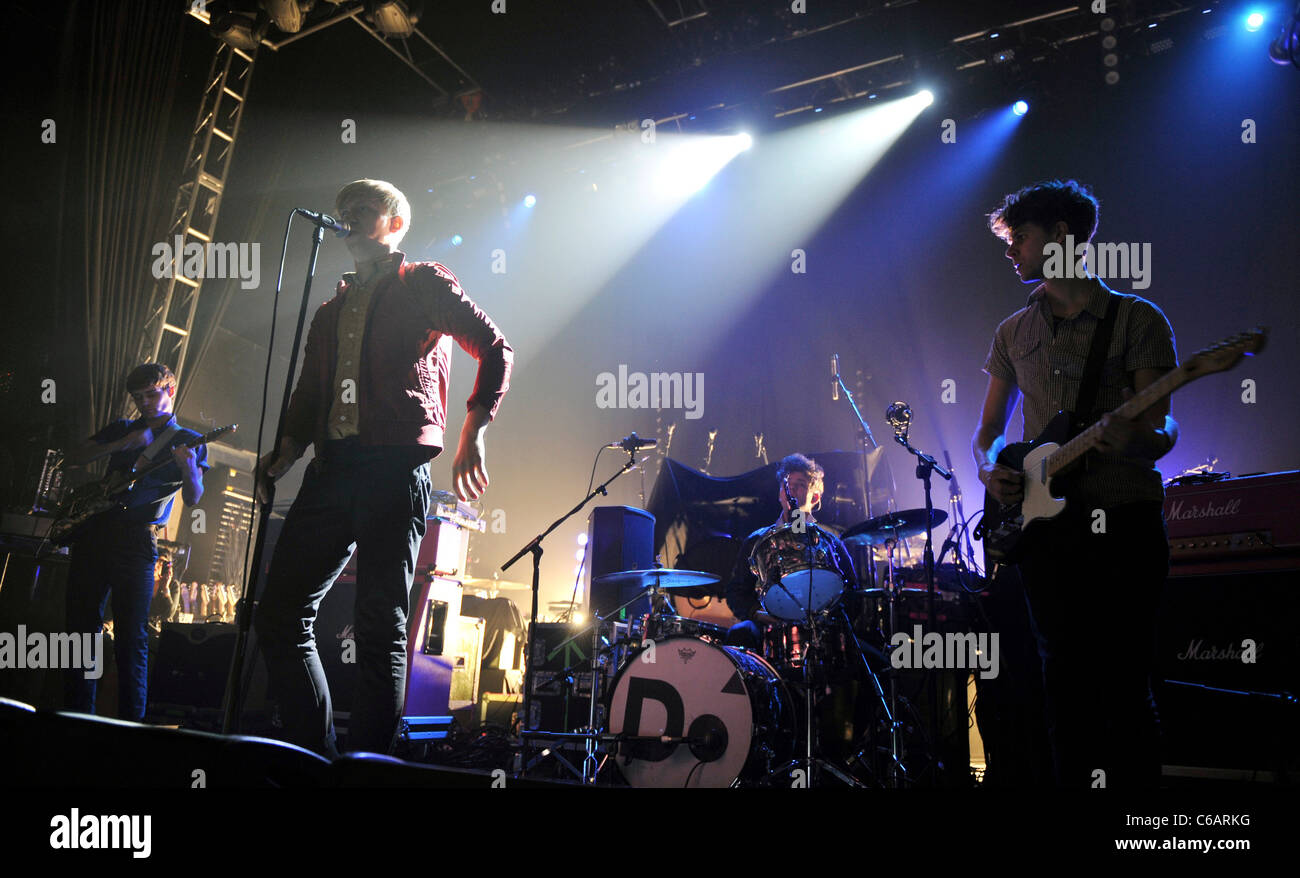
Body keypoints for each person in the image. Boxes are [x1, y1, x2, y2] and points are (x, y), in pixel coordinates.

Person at [255, 178, 513, 758]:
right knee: (278, 616)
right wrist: (286, 450)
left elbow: (495, 346)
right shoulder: (330, 310)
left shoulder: (422, 282)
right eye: (344, 210)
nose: (348, 218)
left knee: (380, 627)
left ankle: (366, 769)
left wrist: (473, 428)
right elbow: (309, 392)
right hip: (332, 470)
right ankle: (316, 756)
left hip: (394, 469)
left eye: (363, 210)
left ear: (395, 224)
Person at [973, 179, 1178, 788]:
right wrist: (990, 470)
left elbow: (1162, 429)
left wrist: (1133, 440)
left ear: (1061, 234)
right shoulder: (1012, 333)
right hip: (1048, 534)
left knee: (1126, 686)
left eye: (1021, 237)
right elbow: (988, 432)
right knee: (1062, 686)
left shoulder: (1137, 319)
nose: (1010, 249)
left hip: (1124, 522)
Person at [62, 362, 208, 720]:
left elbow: (193, 497)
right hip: (95, 532)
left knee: (132, 637)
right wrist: (125, 443)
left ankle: (131, 727)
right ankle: (75, 717)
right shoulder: (124, 428)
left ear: (170, 390)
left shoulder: (188, 439)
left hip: (137, 541)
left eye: (150, 395)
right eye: (137, 397)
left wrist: (188, 467)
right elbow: (73, 458)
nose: (143, 403)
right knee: (80, 630)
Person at [724, 454, 856, 652]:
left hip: (822, 630)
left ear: (815, 497)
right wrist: (760, 615)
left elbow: (852, 590)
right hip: (769, 629)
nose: (791, 490)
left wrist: (826, 617)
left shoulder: (830, 541)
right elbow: (735, 592)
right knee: (739, 633)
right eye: (787, 485)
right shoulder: (757, 541)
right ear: (780, 494)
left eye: (800, 485)